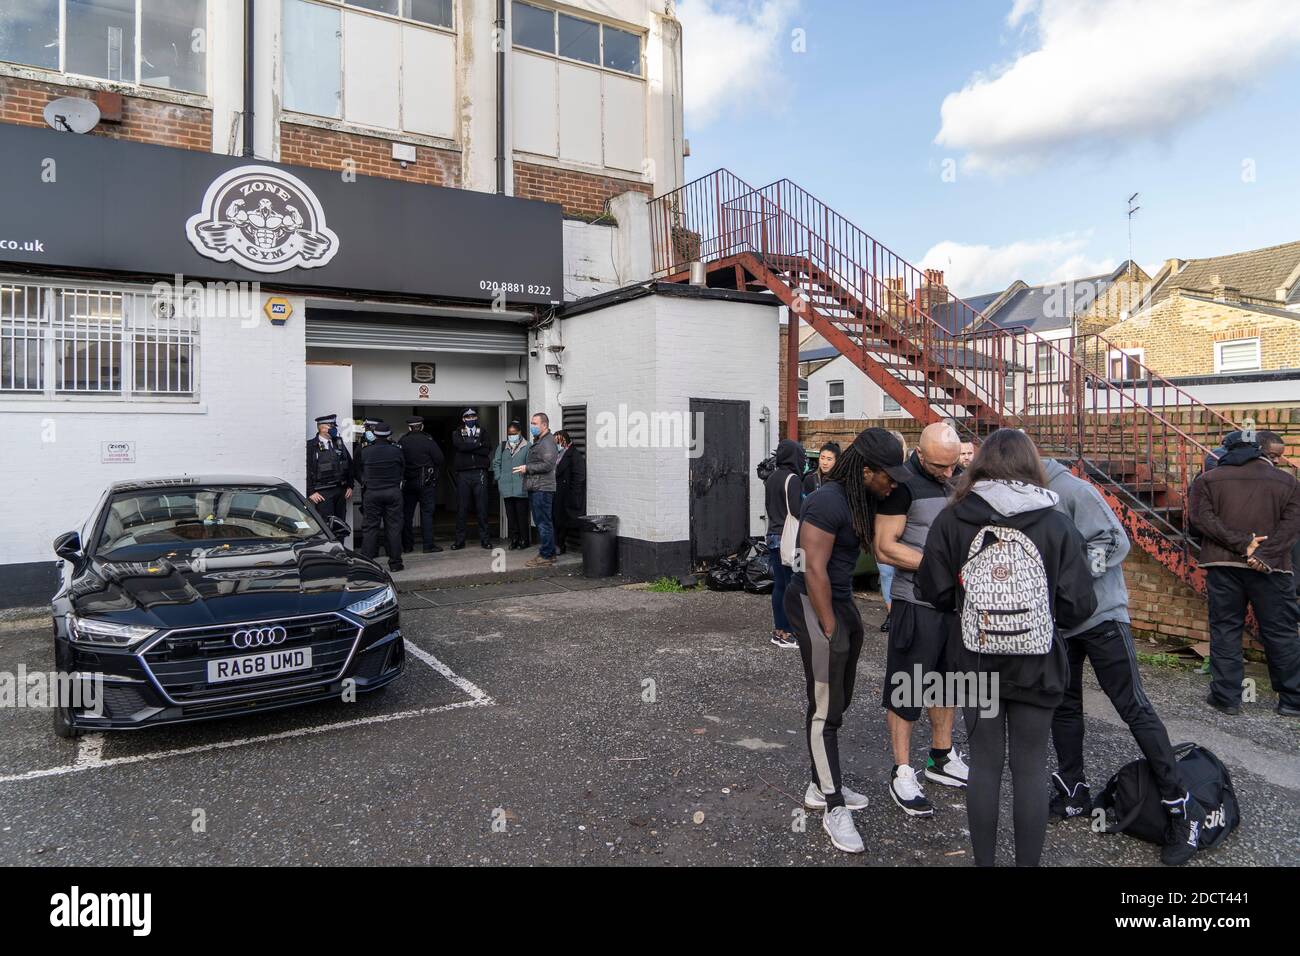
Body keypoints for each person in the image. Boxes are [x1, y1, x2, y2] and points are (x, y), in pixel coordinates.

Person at [916, 429, 1097, 867]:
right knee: (1031, 768)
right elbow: (1079, 605)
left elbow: (933, 591)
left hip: (975, 659)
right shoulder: (1056, 521)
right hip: (1038, 662)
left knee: (984, 765)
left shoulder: (954, 517)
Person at [1042, 458, 1198, 865]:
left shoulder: (1074, 491)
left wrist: (1073, 584)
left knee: (1133, 706)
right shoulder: (1026, 496)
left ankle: (1180, 808)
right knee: (1064, 705)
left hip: (1101, 618)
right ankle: (1074, 792)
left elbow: (1113, 541)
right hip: (1062, 624)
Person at [786, 428, 912, 854]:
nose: (892, 482)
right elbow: (813, 569)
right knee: (824, 702)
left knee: (840, 699)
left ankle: (824, 782)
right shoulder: (826, 500)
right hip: (813, 602)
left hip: (840, 602)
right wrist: (828, 626)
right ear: (866, 470)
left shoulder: (865, 495)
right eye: (887, 475)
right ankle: (832, 805)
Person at [874, 421, 969, 815]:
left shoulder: (961, 478)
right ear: (920, 453)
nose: (949, 474)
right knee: (908, 687)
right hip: (915, 602)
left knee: (948, 683)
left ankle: (942, 757)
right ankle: (902, 770)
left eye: (953, 466)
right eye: (940, 467)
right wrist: (940, 567)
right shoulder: (902, 484)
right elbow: (884, 548)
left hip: (954, 605)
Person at [1189, 429, 1300, 717]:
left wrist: (1241, 543)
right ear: (1262, 452)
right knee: (1281, 631)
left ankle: (1227, 697)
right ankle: (1292, 699)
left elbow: (1201, 520)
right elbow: (1292, 526)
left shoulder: (1207, 480)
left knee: (1226, 628)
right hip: (1272, 569)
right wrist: (1263, 555)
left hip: (1223, 566)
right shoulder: (1288, 481)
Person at [765, 438, 805, 649]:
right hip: (790, 539)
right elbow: (797, 511)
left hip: (772, 536)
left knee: (779, 585)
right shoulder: (793, 478)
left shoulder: (771, 477)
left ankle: (778, 630)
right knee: (794, 585)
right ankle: (790, 633)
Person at [358, 421, 406, 572]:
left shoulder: (365, 451)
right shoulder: (396, 450)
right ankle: (396, 563)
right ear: (389, 435)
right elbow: (403, 469)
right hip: (393, 492)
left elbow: (358, 470)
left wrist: (365, 482)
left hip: (372, 492)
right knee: (393, 528)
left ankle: (368, 564)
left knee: (370, 528)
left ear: (375, 434)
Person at [515, 412, 558, 567]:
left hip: (542, 488)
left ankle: (545, 555)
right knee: (544, 521)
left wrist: (527, 468)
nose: (532, 426)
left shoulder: (547, 442)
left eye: (535, 423)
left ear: (544, 425)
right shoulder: (540, 440)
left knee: (543, 523)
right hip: (538, 487)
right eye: (532, 423)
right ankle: (550, 553)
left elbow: (548, 464)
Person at [399, 415, 444, 554]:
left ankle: (407, 546)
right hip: (426, 482)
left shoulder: (403, 440)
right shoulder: (428, 440)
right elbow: (439, 459)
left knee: (407, 515)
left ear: (409, 427)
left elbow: (399, 461)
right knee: (427, 514)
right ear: (422, 426)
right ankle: (428, 545)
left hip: (408, 483)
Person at [451, 407, 493, 550]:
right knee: (462, 508)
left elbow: (487, 449)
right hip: (463, 474)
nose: (470, 419)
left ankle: (485, 540)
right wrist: (478, 445)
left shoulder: (484, 432)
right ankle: (459, 541)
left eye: (473, 416)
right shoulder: (456, 433)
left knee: (482, 507)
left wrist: (470, 446)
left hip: (479, 472)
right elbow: (460, 446)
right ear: (463, 419)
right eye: (467, 417)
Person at [877, 430, 906, 632]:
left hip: (904, 536)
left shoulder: (909, 476)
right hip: (884, 535)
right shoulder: (877, 476)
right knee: (887, 575)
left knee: (896, 576)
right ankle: (892, 615)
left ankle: (897, 615)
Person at [306, 414, 353, 526]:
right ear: (321, 427)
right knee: (326, 525)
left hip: (340, 491)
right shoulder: (312, 446)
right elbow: (307, 469)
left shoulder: (339, 443)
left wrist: (350, 485)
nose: (333, 429)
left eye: (334, 426)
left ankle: (340, 544)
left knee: (340, 525)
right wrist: (311, 492)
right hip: (323, 492)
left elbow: (350, 465)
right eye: (330, 425)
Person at [493, 421, 531, 550]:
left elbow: (529, 465)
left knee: (521, 515)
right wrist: (499, 477)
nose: (512, 435)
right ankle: (514, 539)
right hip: (506, 487)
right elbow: (496, 462)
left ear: (520, 433)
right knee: (511, 516)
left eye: (514, 433)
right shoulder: (503, 446)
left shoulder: (527, 446)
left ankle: (524, 539)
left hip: (521, 487)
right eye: (510, 433)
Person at [553, 430, 587, 555]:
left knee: (562, 521)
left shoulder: (573, 455)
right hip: (555, 492)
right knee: (555, 519)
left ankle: (560, 545)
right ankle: (556, 543)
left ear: (565, 441)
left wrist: (574, 493)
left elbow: (579, 476)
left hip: (565, 493)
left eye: (558, 441)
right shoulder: (556, 454)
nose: (556, 444)